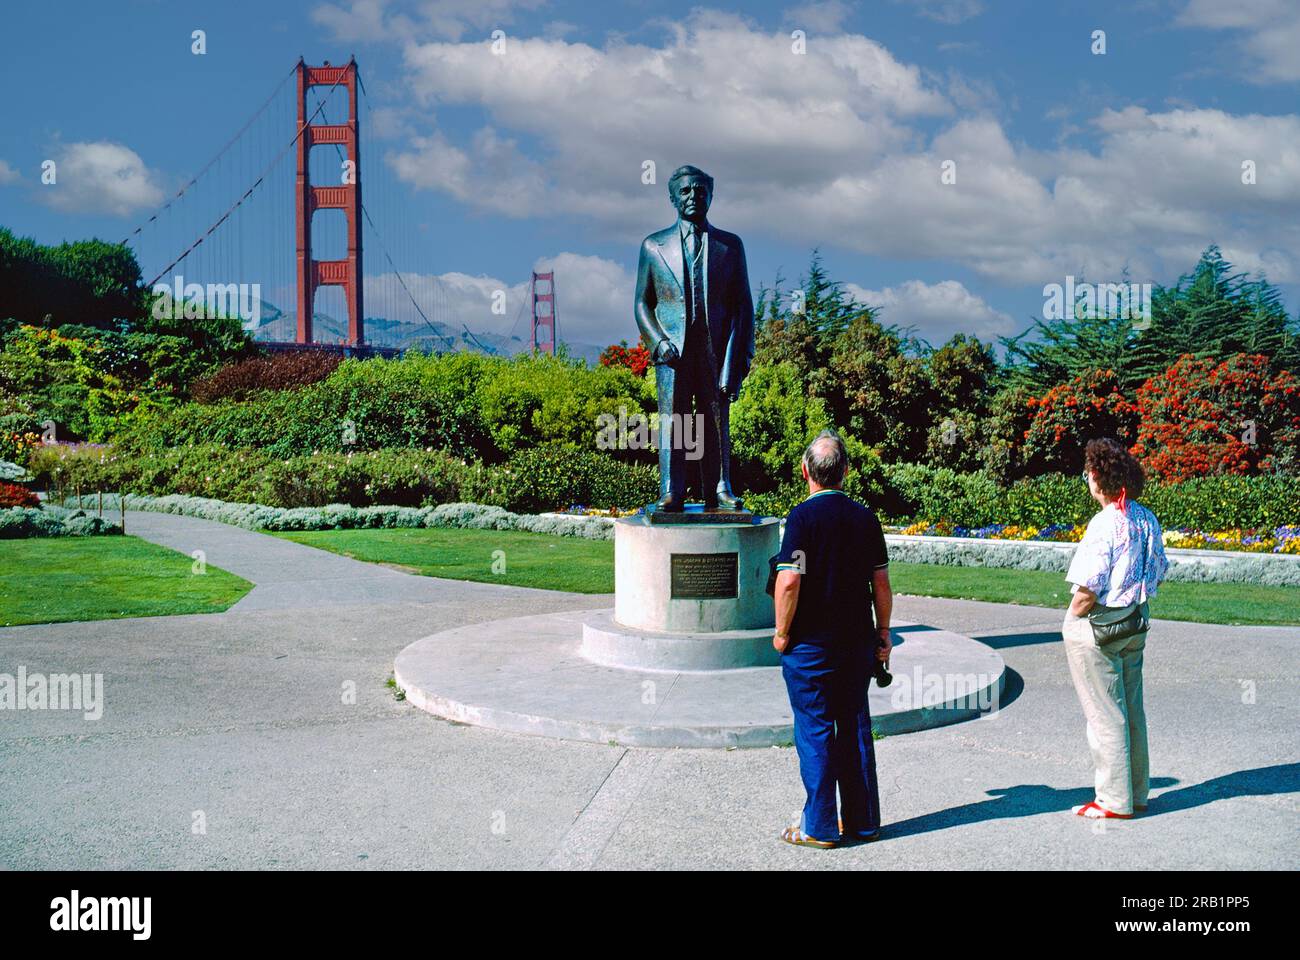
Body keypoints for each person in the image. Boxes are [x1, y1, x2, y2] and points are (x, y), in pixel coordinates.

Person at [772, 430, 892, 847]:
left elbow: (789, 581)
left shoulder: (802, 518)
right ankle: (862, 821)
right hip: (856, 641)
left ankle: (820, 826)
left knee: (815, 729)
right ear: (846, 471)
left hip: (811, 645)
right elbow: (881, 582)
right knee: (854, 726)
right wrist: (883, 634)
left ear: (806, 471)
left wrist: (782, 633)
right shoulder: (864, 517)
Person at [633, 164, 754, 511]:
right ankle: (671, 490)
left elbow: (743, 306)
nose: (693, 196)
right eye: (685, 191)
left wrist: (735, 361)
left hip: (714, 351)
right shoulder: (653, 246)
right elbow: (643, 302)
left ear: (711, 195)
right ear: (672, 197)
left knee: (716, 423)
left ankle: (719, 489)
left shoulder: (730, 247)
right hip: (673, 354)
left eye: (700, 190)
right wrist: (657, 341)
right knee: (675, 421)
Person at [1063, 438, 1169, 819]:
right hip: (1135, 622)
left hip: (1099, 628)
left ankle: (1113, 800)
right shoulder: (1145, 517)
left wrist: (1071, 618)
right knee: (1132, 711)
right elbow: (1159, 570)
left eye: (1089, 473)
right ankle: (1136, 793)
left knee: (1105, 714)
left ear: (1098, 477)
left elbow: (1088, 586)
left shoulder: (1105, 522)